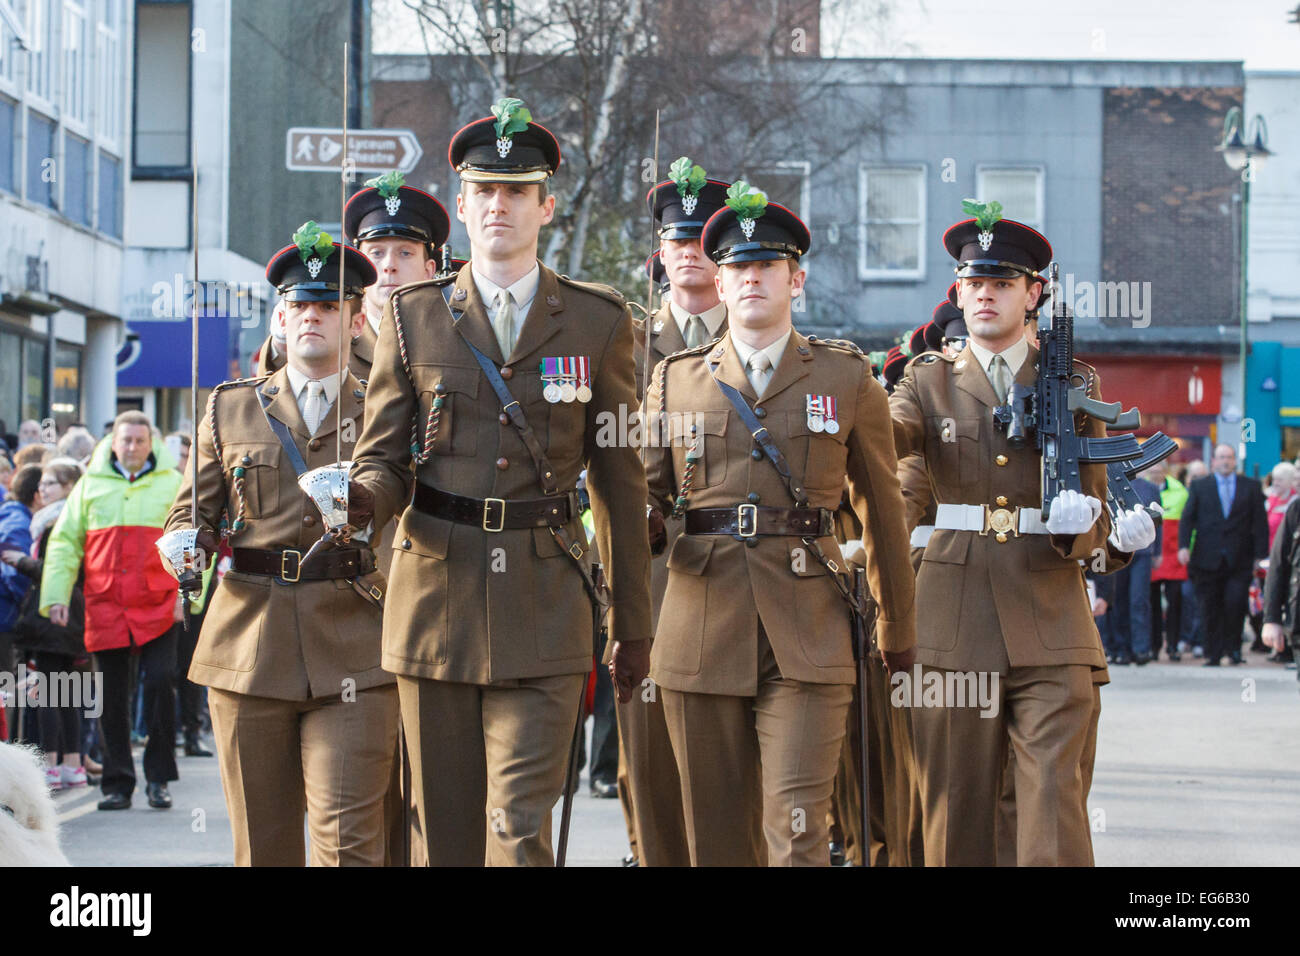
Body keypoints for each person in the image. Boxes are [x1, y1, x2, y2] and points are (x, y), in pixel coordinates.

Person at [348, 97, 652, 866]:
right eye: (485, 191)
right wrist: (356, 501)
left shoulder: (598, 321)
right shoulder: (413, 317)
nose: (500, 205)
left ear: (545, 205)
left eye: (517, 192)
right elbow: (384, 456)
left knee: (519, 831)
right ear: (462, 202)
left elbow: (620, 486)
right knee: (446, 838)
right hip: (435, 599)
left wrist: (635, 627)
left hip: (546, 606)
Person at [640, 183, 917, 866]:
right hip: (700, 627)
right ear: (722, 283)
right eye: (737, 267)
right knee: (716, 840)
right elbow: (639, 496)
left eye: (767, 266)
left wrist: (899, 628)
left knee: (796, 830)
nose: (751, 278)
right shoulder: (674, 380)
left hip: (810, 630)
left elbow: (883, 511)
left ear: (797, 279)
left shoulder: (846, 376)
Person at [888, 201, 1154, 866]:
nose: (985, 295)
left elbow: (1097, 510)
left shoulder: (1076, 382)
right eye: (974, 283)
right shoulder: (927, 381)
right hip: (952, 617)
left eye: (1002, 284)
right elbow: (883, 443)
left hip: (1052, 615)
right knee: (955, 806)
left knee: (1052, 802)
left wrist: (1102, 531)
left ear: (1034, 294)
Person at [164, 223, 398, 865]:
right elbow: (193, 510)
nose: (313, 317)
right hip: (249, 645)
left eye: (330, 306)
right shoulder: (229, 408)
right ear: (281, 317)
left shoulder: (387, 409)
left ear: (355, 322)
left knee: (350, 843)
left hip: (357, 642)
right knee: (262, 847)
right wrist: (182, 539)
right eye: (301, 306)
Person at [613, 158, 732, 867]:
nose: (688, 251)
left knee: (731, 760)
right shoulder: (619, 343)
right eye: (675, 241)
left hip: (743, 570)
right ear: (660, 254)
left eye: (701, 240)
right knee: (650, 756)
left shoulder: (758, 335)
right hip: (651, 573)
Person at [39, 412, 187, 811]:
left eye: (140, 440)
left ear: (151, 442)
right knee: (109, 698)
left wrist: (187, 597)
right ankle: (118, 782)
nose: (133, 447)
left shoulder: (174, 484)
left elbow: (192, 541)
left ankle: (159, 778)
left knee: (159, 685)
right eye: (126, 440)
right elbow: (65, 544)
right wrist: (55, 595)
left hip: (159, 604)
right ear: (114, 442)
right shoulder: (89, 485)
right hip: (106, 605)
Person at [3, 458, 88, 789]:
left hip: (56, 612)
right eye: (41, 484)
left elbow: (60, 571)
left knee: (50, 690)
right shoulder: (62, 518)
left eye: (50, 483)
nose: (42, 489)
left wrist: (21, 561)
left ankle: (51, 764)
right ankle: (72, 764)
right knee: (68, 690)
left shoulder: (58, 521)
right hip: (71, 613)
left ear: (68, 487)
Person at [1177, 444, 1268, 666]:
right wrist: (1183, 547)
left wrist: (1260, 554)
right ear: (1214, 461)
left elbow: (1260, 523)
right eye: (1221, 458)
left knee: (1235, 604)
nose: (1225, 461)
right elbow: (1187, 519)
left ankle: (1234, 650)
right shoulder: (1200, 486)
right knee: (1210, 606)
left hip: (1240, 558)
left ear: (1235, 460)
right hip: (1207, 559)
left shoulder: (1251, 487)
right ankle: (1213, 653)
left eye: (1229, 457)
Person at [1148, 460, 1189, 661]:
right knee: (1151, 603)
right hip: (1152, 552)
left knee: (1176, 603)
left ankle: (1173, 645)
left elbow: (1189, 523)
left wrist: (1188, 547)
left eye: (1158, 471)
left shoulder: (1181, 492)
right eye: (1152, 471)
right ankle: (1154, 646)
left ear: (1165, 471)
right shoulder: (1141, 489)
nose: (1155, 475)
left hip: (1174, 554)